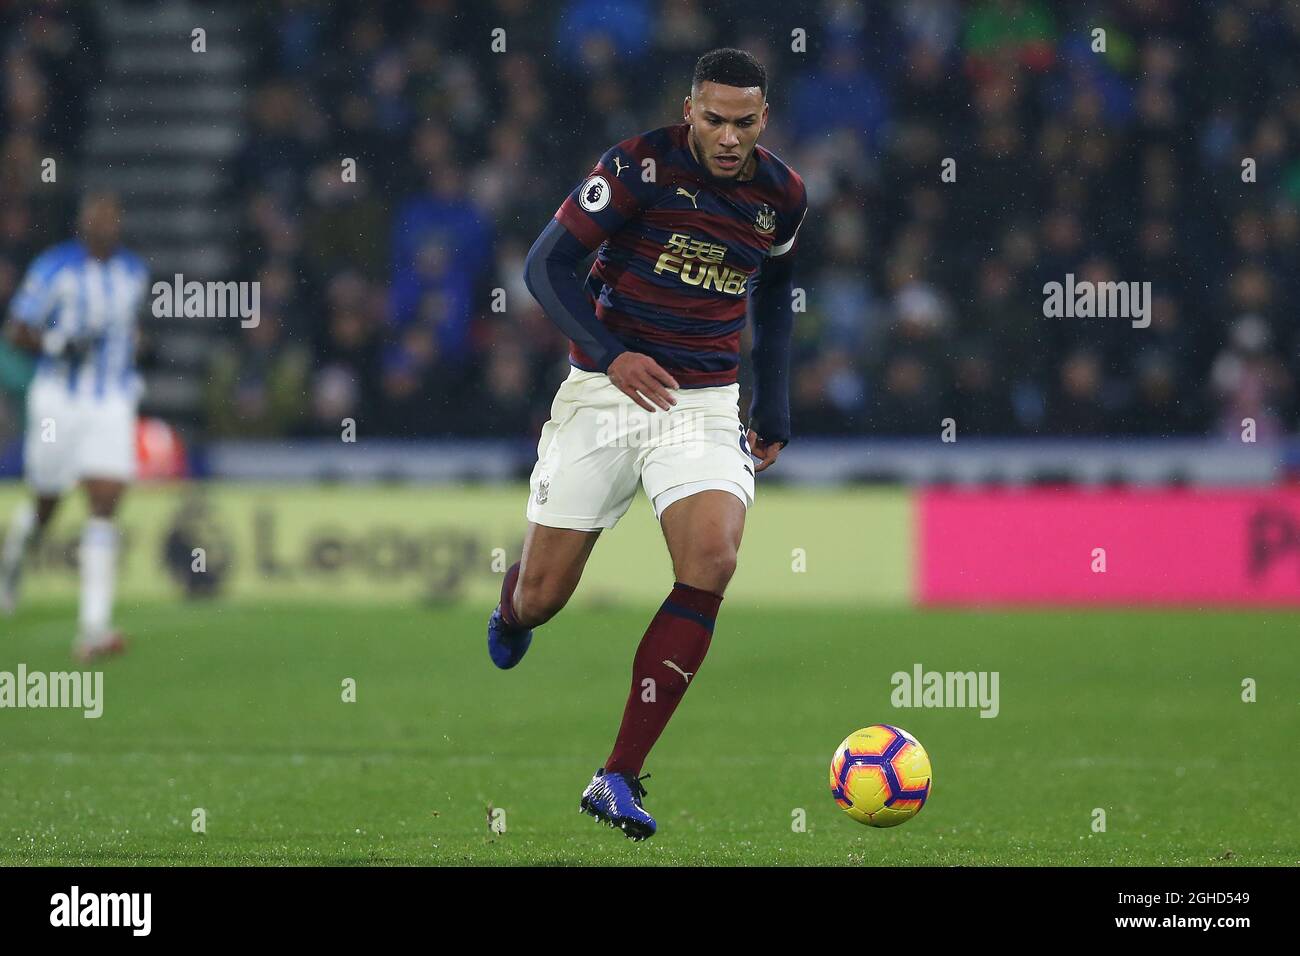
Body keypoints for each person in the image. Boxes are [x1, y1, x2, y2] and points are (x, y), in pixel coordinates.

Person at [487, 49, 807, 840]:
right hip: (606, 389)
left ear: (762, 119)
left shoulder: (783, 196)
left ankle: (617, 775)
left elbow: (777, 298)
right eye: (714, 120)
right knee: (543, 598)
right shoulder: (636, 167)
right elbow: (545, 267)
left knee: (712, 561)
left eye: (744, 122)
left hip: (702, 402)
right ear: (689, 110)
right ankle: (514, 604)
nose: (729, 138)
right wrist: (609, 353)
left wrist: (774, 405)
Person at [0, 192, 149, 661]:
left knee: (105, 500)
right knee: (48, 503)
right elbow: (17, 330)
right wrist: (59, 343)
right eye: (94, 218)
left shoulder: (133, 273)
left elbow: (130, 331)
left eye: (110, 218)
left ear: (119, 224)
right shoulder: (54, 268)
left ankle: (94, 629)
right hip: (59, 400)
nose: (102, 225)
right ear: (81, 223)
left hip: (110, 402)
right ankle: (14, 557)